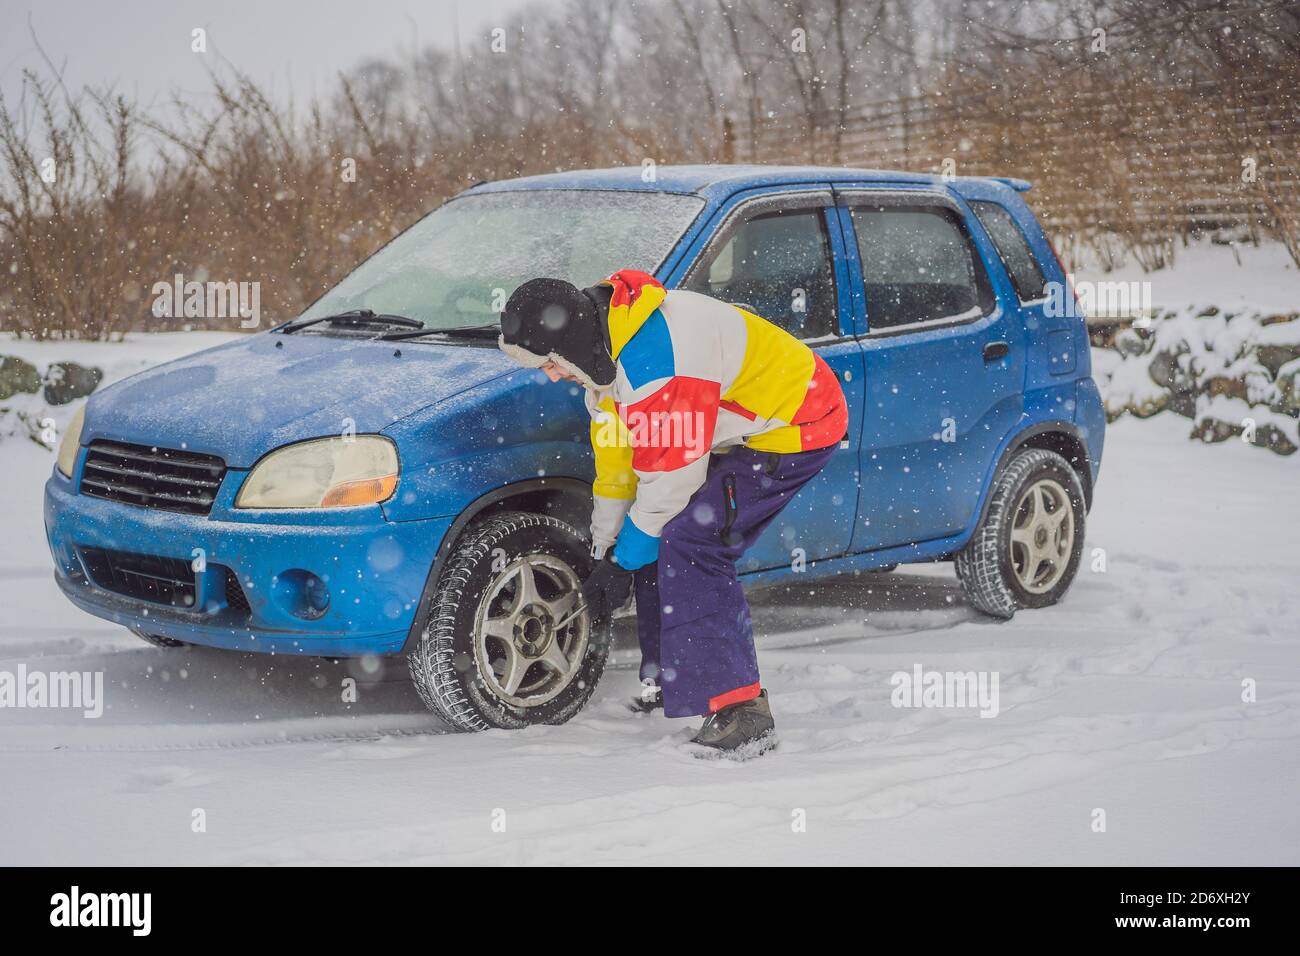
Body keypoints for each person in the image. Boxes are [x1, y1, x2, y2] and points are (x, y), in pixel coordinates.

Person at [498, 269, 846, 757]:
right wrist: (607, 548)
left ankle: (742, 712)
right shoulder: (606, 353)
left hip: (798, 421)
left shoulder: (657, 368)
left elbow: (671, 487)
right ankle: (674, 676)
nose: (550, 374)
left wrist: (624, 563)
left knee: (691, 539)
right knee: (652, 533)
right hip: (728, 424)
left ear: (571, 344)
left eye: (551, 362)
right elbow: (619, 466)